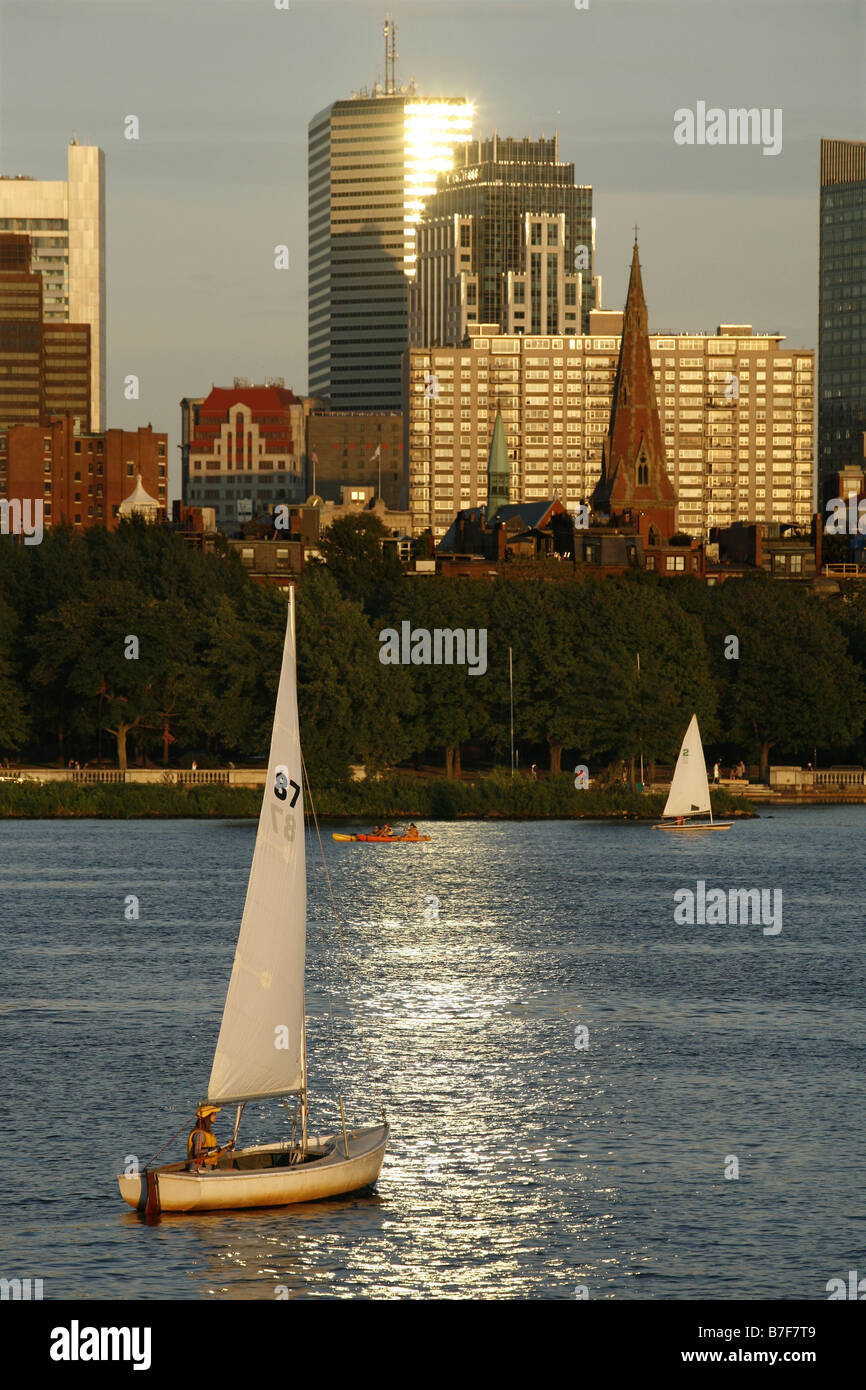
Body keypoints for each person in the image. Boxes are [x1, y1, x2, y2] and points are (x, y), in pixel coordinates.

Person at [187, 1104, 230, 1169]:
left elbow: (215, 1156)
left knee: (234, 1171)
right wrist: (211, 1149)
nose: (215, 1116)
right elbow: (197, 1153)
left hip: (209, 1168)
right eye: (214, 1114)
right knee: (234, 1171)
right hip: (199, 1170)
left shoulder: (208, 1133)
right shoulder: (200, 1134)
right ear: (208, 1116)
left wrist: (227, 1148)